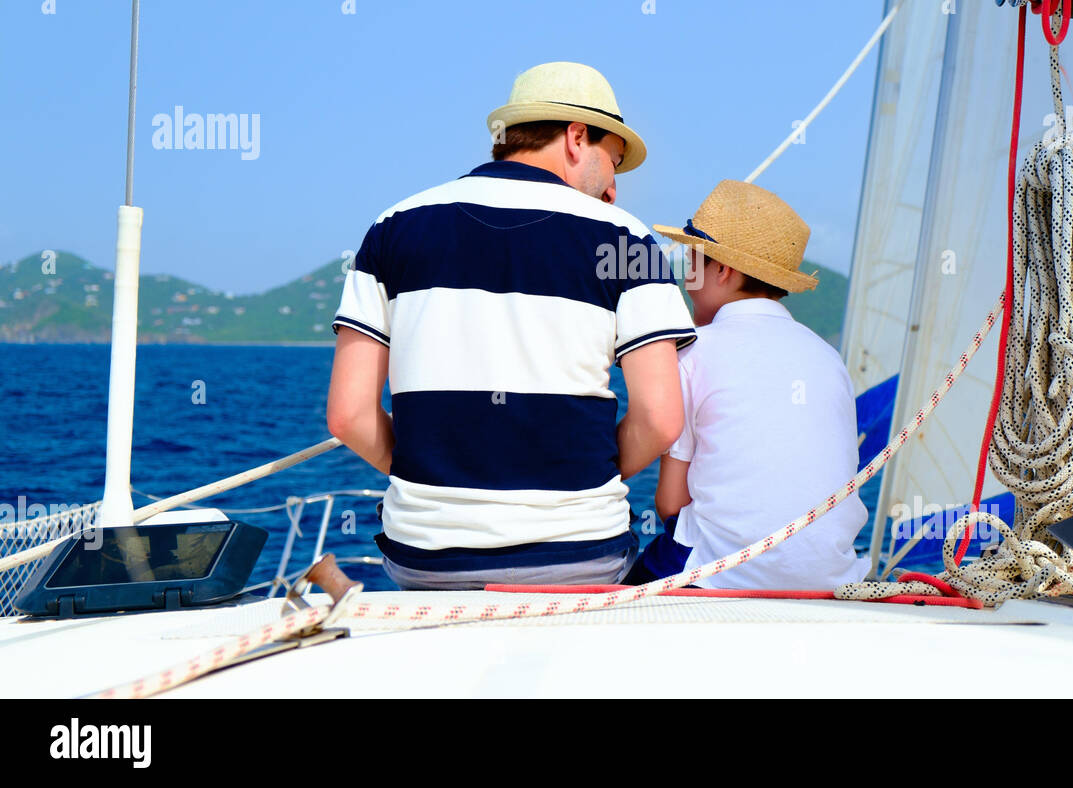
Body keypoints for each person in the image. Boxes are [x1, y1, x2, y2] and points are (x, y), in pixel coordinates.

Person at [327, 61, 695, 589]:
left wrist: (436, 481)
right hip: (578, 553)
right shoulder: (624, 239)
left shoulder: (393, 228)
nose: (614, 189)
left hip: (427, 556)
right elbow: (660, 420)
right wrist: (580, 488)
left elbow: (347, 416)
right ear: (575, 138)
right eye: (612, 161)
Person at [625, 179, 869, 589]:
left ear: (722, 270)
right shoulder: (828, 357)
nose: (685, 280)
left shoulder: (693, 351)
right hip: (830, 576)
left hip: (721, 571)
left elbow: (669, 503)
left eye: (692, 262)